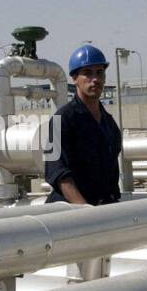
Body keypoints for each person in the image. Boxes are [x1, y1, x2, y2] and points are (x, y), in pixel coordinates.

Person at [45, 44, 123, 205]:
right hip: (69, 211)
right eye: (87, 73)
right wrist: (86, 211)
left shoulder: (109, 123)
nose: (95, 79)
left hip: (102, 208)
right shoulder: (62, 120)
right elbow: (59, 173)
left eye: (99, 72)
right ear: (74, 79)